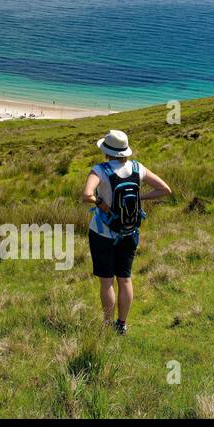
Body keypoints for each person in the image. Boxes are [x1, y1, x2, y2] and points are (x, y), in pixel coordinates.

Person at [81, 129, 173, 333]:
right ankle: (121, 325)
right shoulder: (137, 168)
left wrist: (102, 204)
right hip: (130, 232)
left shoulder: (100, 170)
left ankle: (107, 324)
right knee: (125, 278)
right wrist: (140, 199)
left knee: (106, 282)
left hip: (102, 233)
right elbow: (165, 190)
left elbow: (87, 195)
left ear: (106, 151)